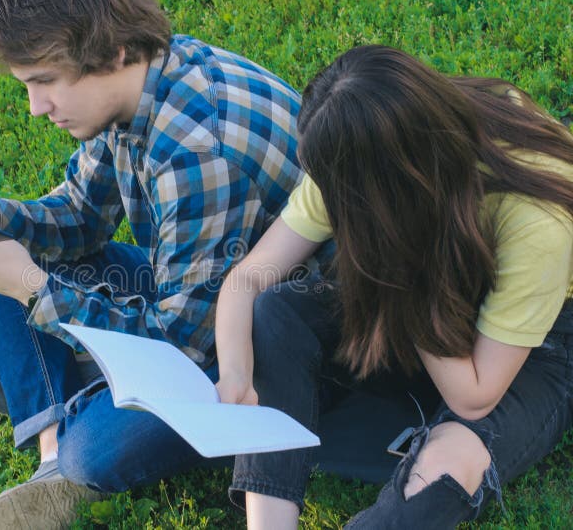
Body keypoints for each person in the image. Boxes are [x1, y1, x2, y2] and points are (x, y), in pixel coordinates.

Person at [0, 0, 306, 527]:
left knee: (94, 452)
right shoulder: (141, 85)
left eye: (45, 81)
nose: (35, 106)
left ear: (112, 51)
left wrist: (33, 288)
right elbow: (82, 217)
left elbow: (182, 346)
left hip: (252, 337)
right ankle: (53, 444)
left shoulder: (195, 153)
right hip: (191, 283)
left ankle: (62, 403)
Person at [215, 44, 573, 529]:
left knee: (450, 464)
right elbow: (250, 277)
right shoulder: (359, 143)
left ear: (388, 192)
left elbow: (474, 395)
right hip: (422, 297)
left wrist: (401, 268)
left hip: (530, 349)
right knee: (278, 312)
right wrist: (236, 375)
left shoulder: (538, 222)